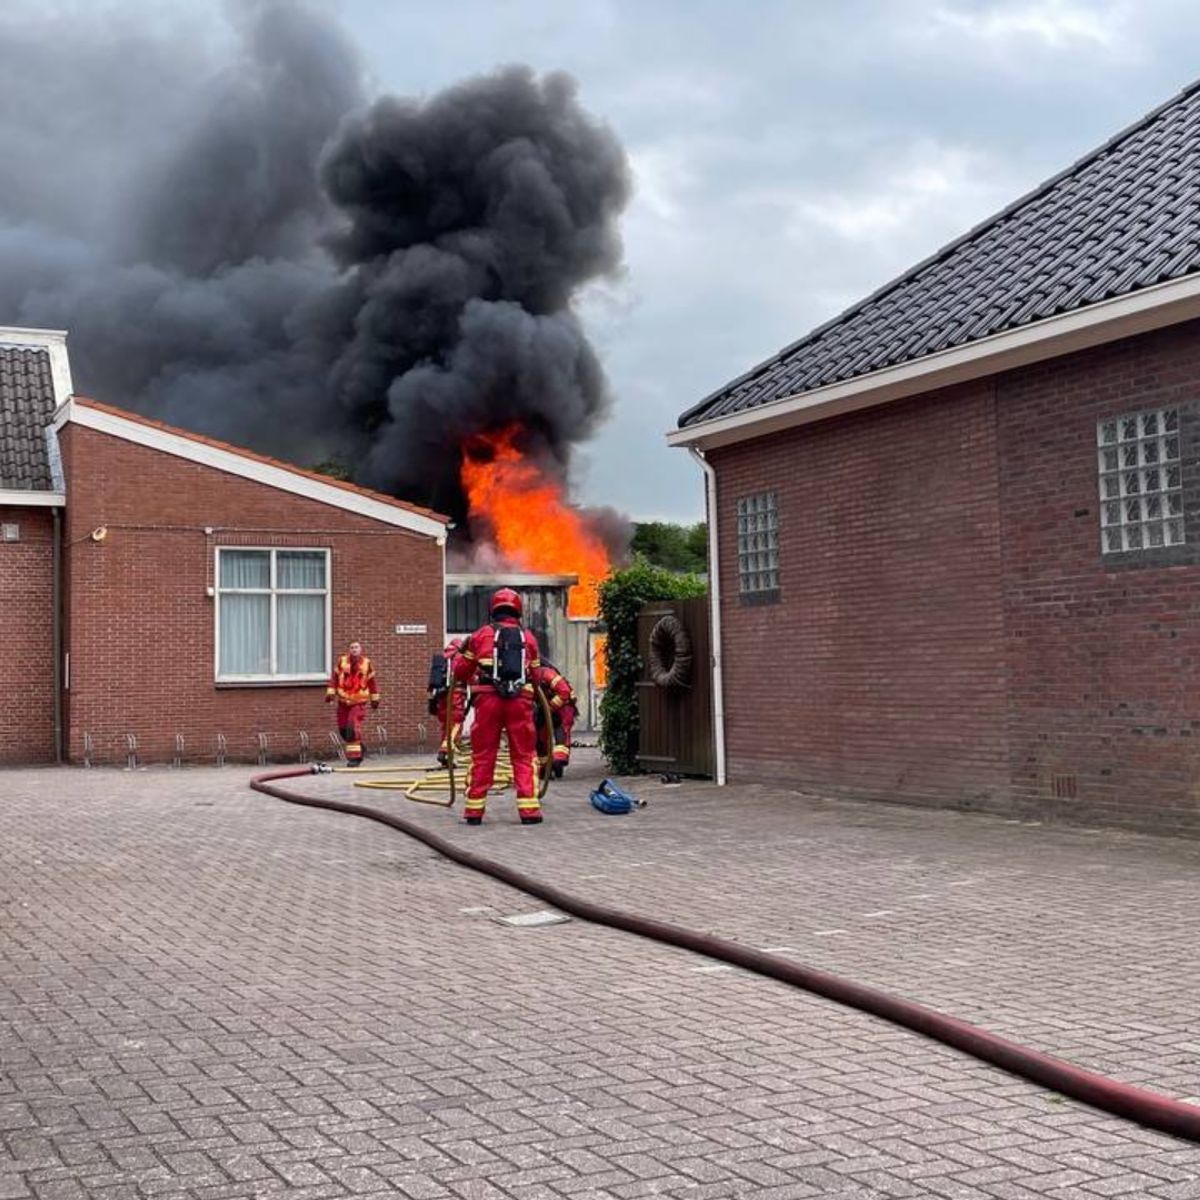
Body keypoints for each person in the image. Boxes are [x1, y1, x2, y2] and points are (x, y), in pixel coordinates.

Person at [452, 587, 543, 825]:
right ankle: (529, 811)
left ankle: (474, 812)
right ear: (518, 610)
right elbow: (537, 675)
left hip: (488, 702)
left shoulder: (481, 635)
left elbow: (461, 671)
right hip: (520, 702)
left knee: (483, 755)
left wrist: (462, 652)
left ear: (493, 609)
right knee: (523, 755)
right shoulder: (529, 638)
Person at [326, 640, 379, 767]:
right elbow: (334, 678)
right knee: (343, 730)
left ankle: (354, 758)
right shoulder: (342, 661)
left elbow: (372, 682)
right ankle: (359, 747)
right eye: (352, 647)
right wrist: (330, 693)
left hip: (358, 702)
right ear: (349, 650)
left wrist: (375, 698)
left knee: (352, 727)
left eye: (356, 647)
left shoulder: (367, 664)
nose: (354, 649)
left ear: (360, 650)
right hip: (343, 701)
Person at [533, 659, 578, 778]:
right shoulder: (527, 678)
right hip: (545, 709)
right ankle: (544, 767)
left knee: (561, 733)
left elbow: (564, 691)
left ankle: (558, 761)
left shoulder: (546, 673)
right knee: (540, 738)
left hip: (563, 706)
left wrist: (549, 707)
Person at [427, 637, 468, 766]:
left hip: (441, 696)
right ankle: (444, 750)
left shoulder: (443, 658)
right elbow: (468, 674)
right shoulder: (460, 657)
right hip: (456, 694)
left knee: (445, 726)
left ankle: (447, 759)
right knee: (456, 723)